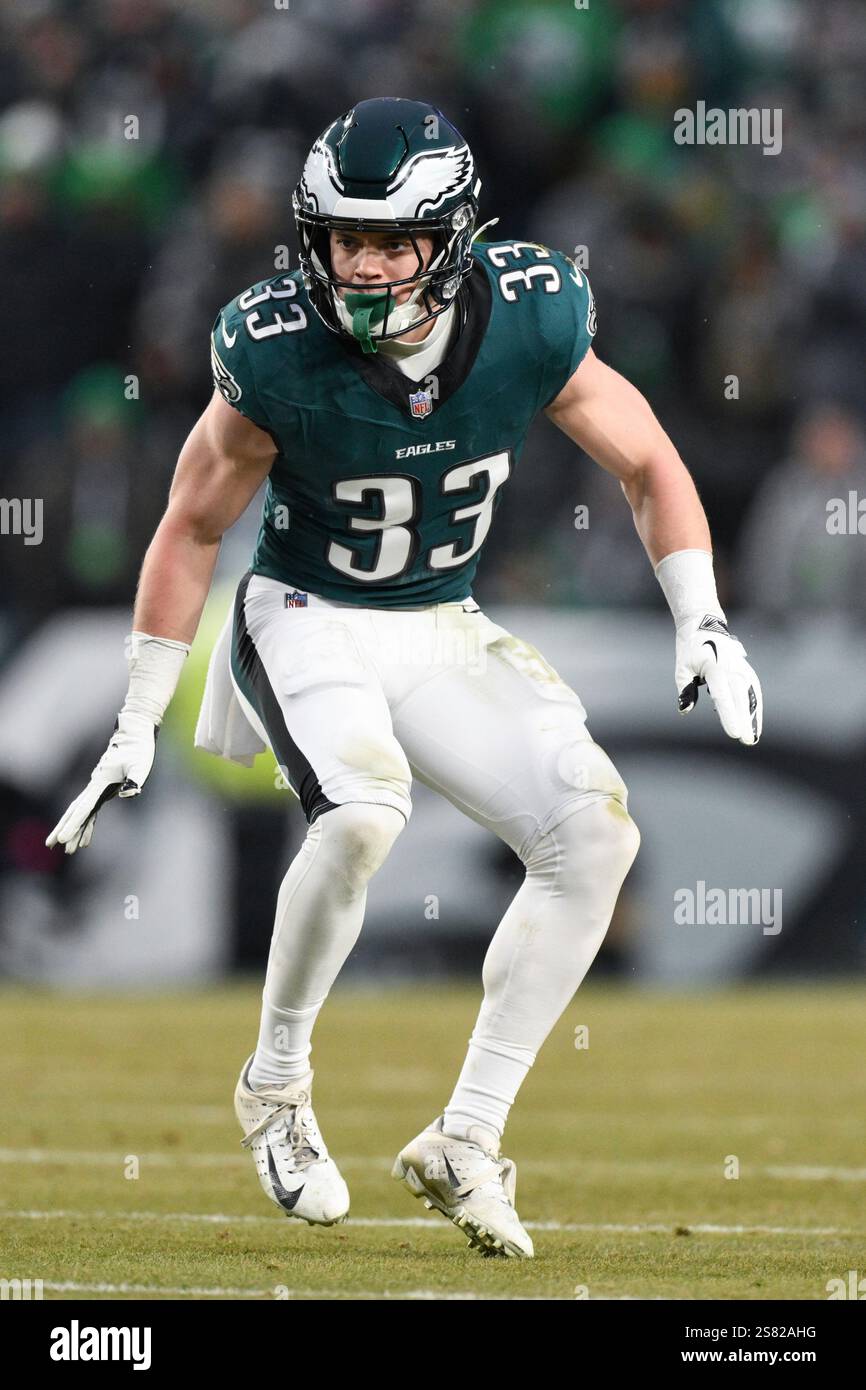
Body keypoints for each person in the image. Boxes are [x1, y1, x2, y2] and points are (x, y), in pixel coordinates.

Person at [46, 98, 762, 1259]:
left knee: (595, 838)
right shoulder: (273, 346)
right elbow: (187, 526)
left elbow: (645, 458)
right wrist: (137, 714)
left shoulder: (529, 316)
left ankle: (465, 1136)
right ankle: (274, 1085)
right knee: (366, 811)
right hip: (304, 610)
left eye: (391, 241)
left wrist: (704, 620)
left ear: (453, 237)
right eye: (343, 239)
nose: (364, 265)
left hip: (436, 621)